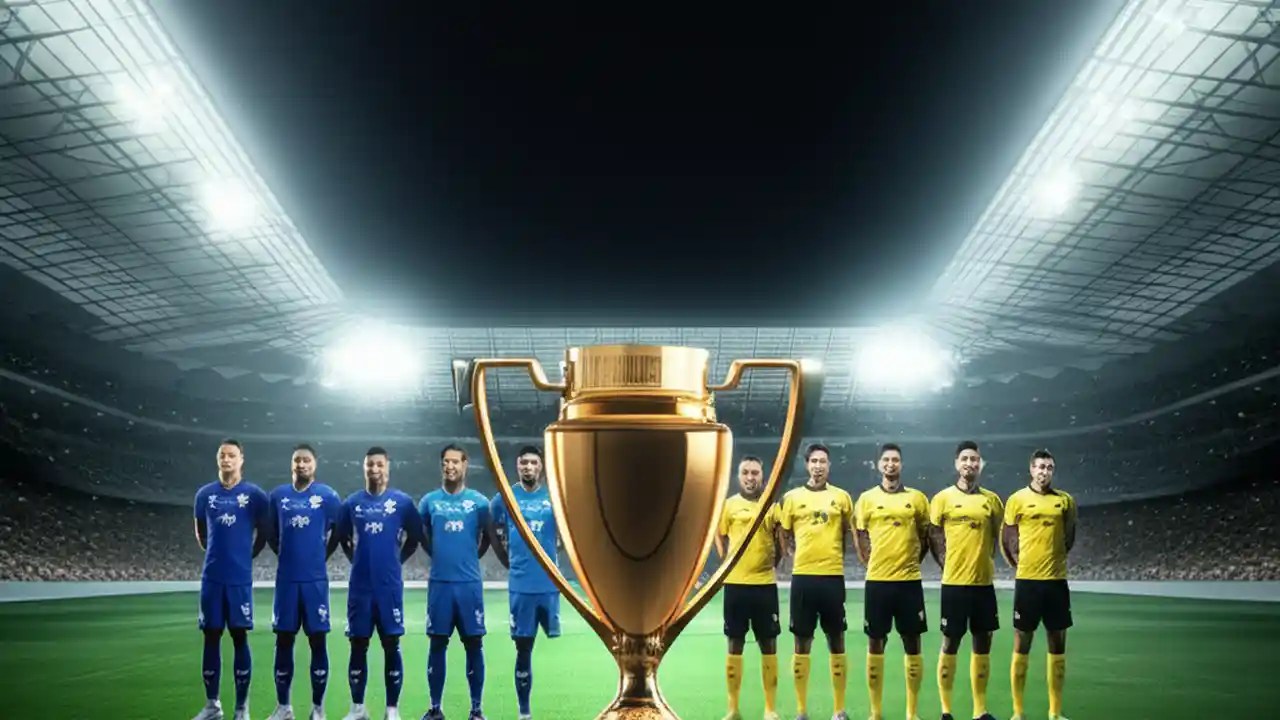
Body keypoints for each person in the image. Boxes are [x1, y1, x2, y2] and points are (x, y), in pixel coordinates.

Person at [335, 447, 423, 720]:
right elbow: (342, 537)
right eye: (369, 465)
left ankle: (391, 709)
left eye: (379, 465)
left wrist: (396, 561)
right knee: (358, 644)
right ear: (364, 468)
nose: (374, 469)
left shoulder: (403, 503)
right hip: (360, 588)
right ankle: (358, 708)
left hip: (389, 588)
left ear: (388, 467)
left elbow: (415, 536)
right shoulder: (351, 503)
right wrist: (357, 561)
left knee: (391, 644)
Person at [419, 444, 500, 720]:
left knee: (474, 644)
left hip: (468, 585)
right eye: (446, 462)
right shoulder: (429, 501)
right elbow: (424, 536)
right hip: (440, 584)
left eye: (455, 461)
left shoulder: (479, 502)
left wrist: (470, 557)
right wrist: (440, 556)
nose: (450, 466)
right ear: (441, 465)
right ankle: (435, 708)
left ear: (465, 465)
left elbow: (488, 536)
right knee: (437, 644)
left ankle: (476, 710)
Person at [191, 439, 270, 720]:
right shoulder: (204, 495)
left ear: (241, 460)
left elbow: (265, 530)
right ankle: (212, 706)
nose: (226, 459)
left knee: (239, 637)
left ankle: (241, 708)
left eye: (232, 455)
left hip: (239, 579)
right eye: (222, 455)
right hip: (212, 578)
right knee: (210, 636)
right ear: (217, 459)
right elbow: (201, 531)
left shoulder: (255, 495)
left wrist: (248, 555)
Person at [853, 443, 930, 720]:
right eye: (886, 460)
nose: (890, 464)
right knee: (876, 643)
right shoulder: (866, 499)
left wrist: (910, 562)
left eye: (895, 460)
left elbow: (925, 536)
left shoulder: (918, 499)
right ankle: (876, 713)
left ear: (901, 465)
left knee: (913, 643)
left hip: (909, 582)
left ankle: (912, 713)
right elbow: (860, 534)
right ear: (878, 465)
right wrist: (872, 562)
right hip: (878, 583)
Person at [266, 443, 343, 720]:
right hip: (286, 581)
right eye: (297, 460)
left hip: (315, 582)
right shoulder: (277, 496)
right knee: (283, 641)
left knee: (317, 642)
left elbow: (339, 531)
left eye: (306, 460)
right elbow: (271, 534)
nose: (301, 465)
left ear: (315, 465)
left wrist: (322, 554)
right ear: (291, 464)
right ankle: (284, 707)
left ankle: (318, 708)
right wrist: (285, 554)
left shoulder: (328, 496)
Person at [778, 443, 854, 720]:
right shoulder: (793, 498)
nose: (818, 466)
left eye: (823, 461)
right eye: (814, 461)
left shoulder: (842, 498)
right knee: (802, 642)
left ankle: (839, 709)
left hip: (833, 577)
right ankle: (801, 711)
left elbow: (847, 533)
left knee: (837, 640)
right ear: (807, 465)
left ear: (829, 465)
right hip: (803, 579)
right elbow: (784, 533)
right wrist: (791, 557)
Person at [928, 441, 1003, 720]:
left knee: (983, 643)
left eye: (975, 459)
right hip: (954, 585)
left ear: (980, 464)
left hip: (983, 585)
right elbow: (934, 535)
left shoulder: (992, 501)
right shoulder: (942, 499)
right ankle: (946, 711)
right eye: (965, 459)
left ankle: (979, 711)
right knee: (950, 642)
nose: (970, 463)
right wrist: (946, 563)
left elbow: (996, 536)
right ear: (956, 464)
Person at [1002, 449, 1077, 720]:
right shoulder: (1016, 500)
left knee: (1057, 644)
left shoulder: (1065, 501)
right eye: (1040, 467)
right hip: (1027, 583)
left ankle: (1055, 713)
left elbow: (1068, 538)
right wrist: (1023, 566)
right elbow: (1007, 540)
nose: (1044, 471)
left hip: (1056, 582)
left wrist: (1052, 560)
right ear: (1031, 470)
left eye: (1049, 467)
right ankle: (1018, 712)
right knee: (1022, 643)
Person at [490, 446, 561, 720]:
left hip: (548, 583)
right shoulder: (506, 497)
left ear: (540, 466)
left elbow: (566, 531)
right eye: (523, 463)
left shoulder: (554, 496)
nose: (528, 467)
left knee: (550, 642)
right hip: (520, 585)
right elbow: (491, 526)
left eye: (533, 463)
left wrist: (555, 554)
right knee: (523, 647)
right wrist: (504, 557)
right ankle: (524, 712)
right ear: (517, 467)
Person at [715, 455, 783, 720]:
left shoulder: (772, 506)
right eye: (746, 473)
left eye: (755, 473)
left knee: (769, 644)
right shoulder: (729, 506)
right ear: (739, 476)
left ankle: (770, 709)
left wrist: (770, 564)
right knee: (735, 644)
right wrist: (727, 563)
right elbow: (718, 535)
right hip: (736, 586)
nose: (751, 477)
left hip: (765, 585)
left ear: (762, 476)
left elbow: (779, 543)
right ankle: (733, 709)